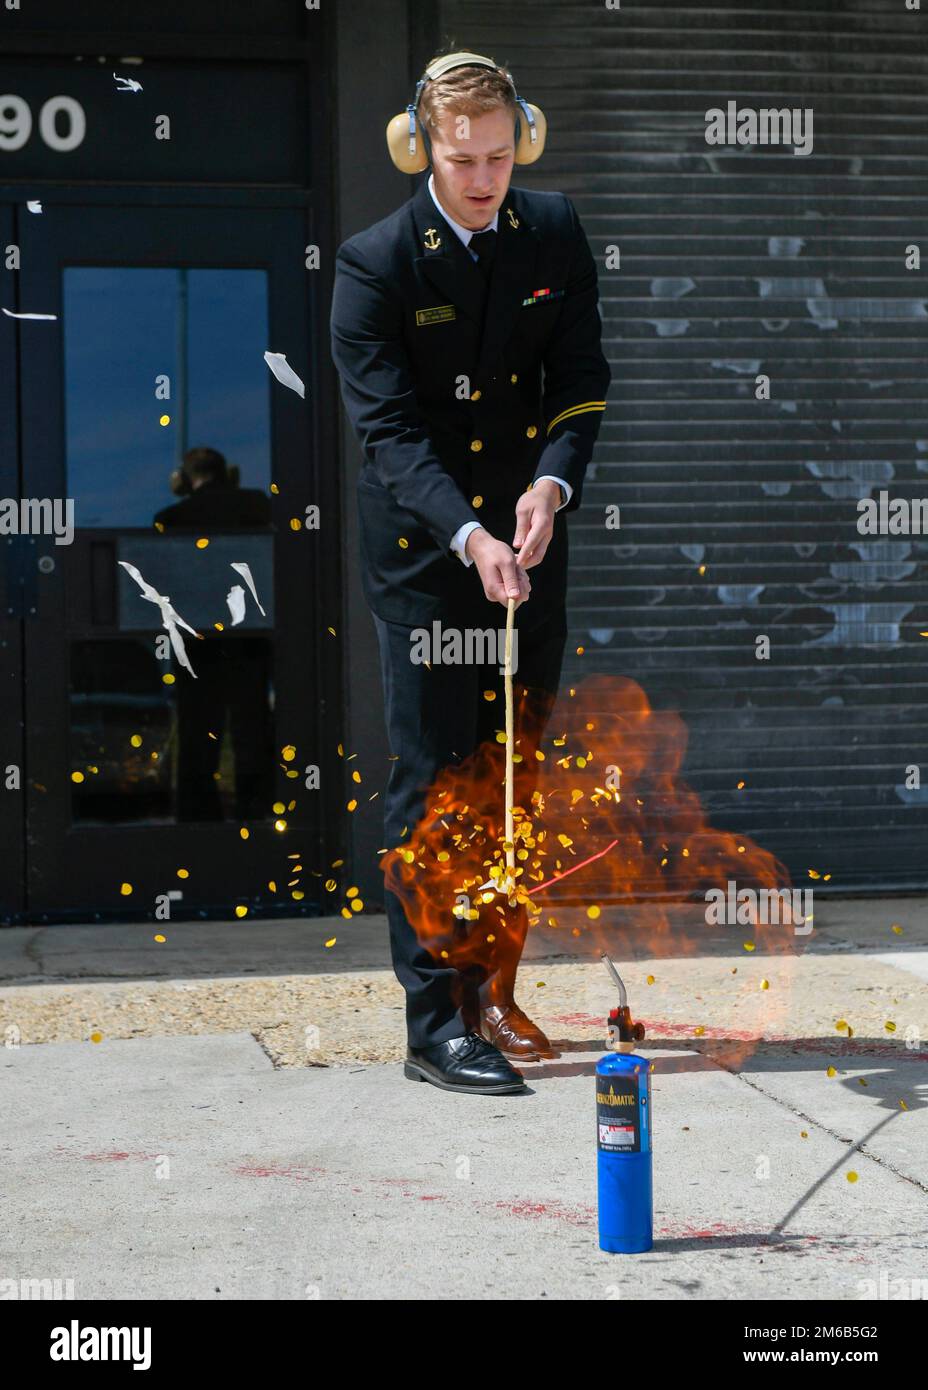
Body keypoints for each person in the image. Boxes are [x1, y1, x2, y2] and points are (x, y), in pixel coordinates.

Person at [330, 51, 610, 1095]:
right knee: (437, 775)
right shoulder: (373, 264)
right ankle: (433, 1023)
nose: (484, 178)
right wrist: (469, 534)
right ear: (421, 149)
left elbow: (580, 380)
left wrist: (550, 488)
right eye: (461, 159)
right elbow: (391, 432)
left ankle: (493, 984)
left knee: (513, 771)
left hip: (530, 541)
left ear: (521, 140)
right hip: (424, 551)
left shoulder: (555, 232)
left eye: (499, 156)